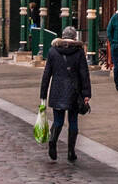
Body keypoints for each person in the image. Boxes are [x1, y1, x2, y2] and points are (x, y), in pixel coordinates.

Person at [39, 26, 91, 163]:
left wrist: (43, 93)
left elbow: (47, 74)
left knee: (58, 121)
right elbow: (84, 74)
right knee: (73, 121)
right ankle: (71, 151)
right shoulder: (79, 52)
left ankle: (52, 141)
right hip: (74, 91)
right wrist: (86, 93)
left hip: (57, 89)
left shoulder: (52, 51)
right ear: (74, 37)